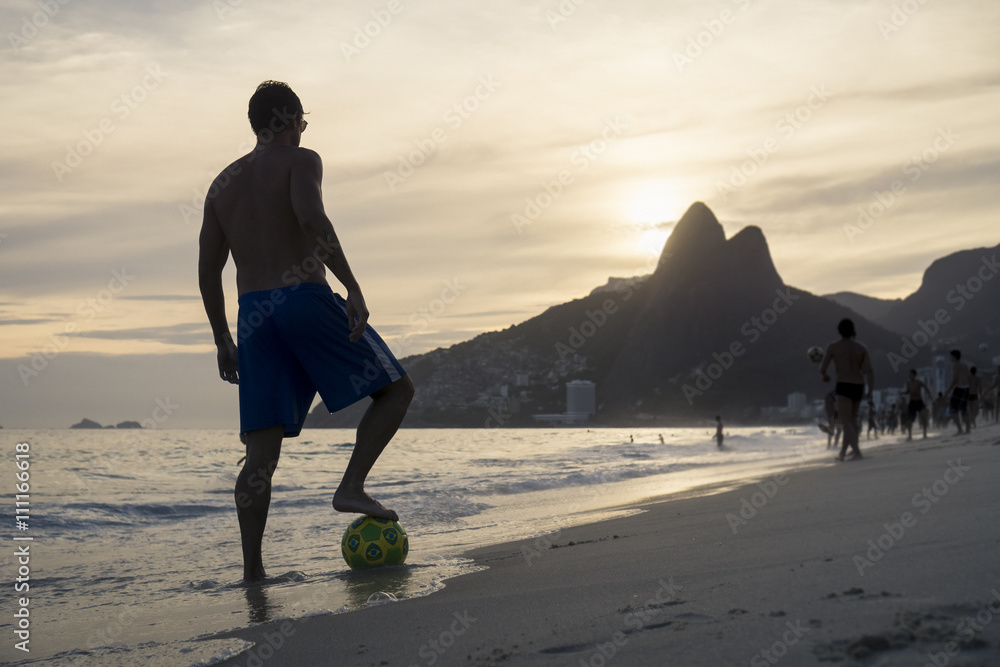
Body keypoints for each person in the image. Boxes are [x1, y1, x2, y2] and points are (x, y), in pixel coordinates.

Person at [198, 81, 415, 582]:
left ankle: (253, 572)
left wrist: (221, 340)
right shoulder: (301, 160)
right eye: (302, 122)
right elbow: (311, 217)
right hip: (302, 298)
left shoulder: (221, 185)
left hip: (253, 316)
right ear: (291, 119)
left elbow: (209, 273)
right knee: (397, 388)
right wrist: (353, 286)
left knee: (260, 455)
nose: (303, 131)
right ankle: (351, 487)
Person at [819, 318, 874, 461]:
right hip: (858, 386)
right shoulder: (861, 348)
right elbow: (869, 371)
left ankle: (856, 452)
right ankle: (843, 453)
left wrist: (825, 376)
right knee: (851, 421)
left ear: (839, 331)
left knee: (846, 422)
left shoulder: (833, 347)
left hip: (843, 386)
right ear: (853, 330)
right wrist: (870, 391)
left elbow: (822, 368)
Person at [943, 350, 972, 435]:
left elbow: (955, 380)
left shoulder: (956, 365)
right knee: (964, 409)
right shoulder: (965, 365)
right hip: (966, 388)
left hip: (960, 389)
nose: (950, 358)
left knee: (953, 410)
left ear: (954, 357)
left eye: (951, 356)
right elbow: (969, 377)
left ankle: (960, 430)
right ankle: (968, 429)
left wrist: (947, 391)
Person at [903, 369, 931, 440]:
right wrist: (902, 393)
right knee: (909, 419)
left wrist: (929, 395)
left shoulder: (918, 382)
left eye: (910, 374)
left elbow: (926, 387)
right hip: (912, 402)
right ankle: (910, 436)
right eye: (909, 374)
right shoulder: (908, 383)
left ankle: (924, 434)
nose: (909, 376)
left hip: (919, 401)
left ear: (914, 375)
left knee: (923, 417)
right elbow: (908, 391)